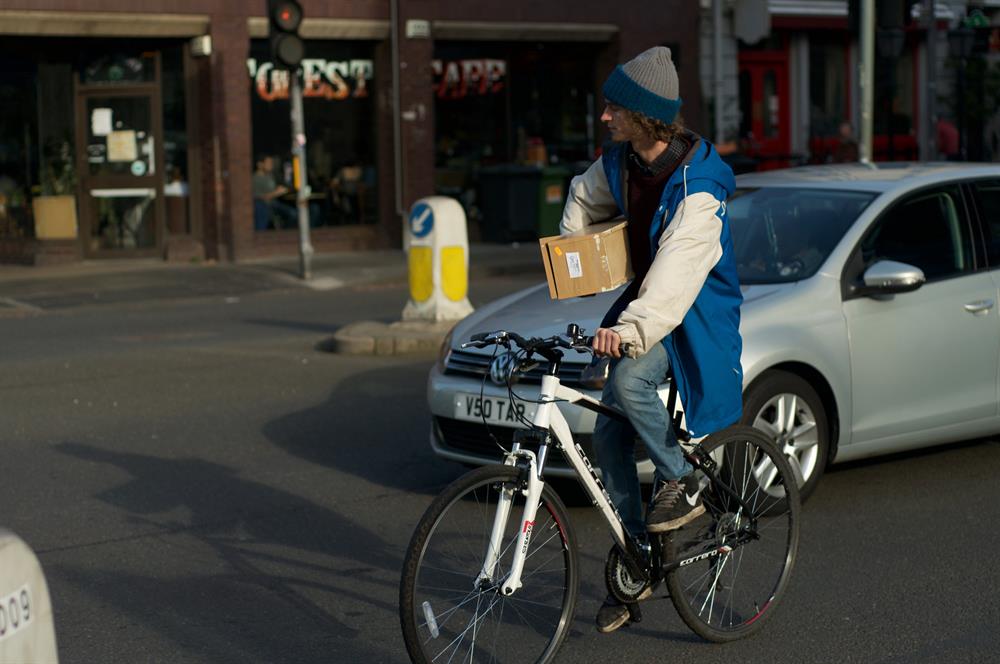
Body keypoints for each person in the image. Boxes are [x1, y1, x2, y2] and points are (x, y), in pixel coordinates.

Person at [559, 46, 743, 634]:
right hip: (648, 304)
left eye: (615, 108)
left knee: (629, 378)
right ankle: (637, 556)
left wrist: (629, 332)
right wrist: (577, 260)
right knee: (608, 439)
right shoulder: (621, 161)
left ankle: (684, 483)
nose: (605, 115)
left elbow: (676, 277)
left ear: (645, 116)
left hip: (691, 315)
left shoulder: (699, 187)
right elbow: (584, 197)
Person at [252, 155, 297, 230]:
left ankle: (284, 234)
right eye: (268, 163)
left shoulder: (270, 176)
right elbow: (259, 197)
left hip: (274, 203)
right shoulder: (255, 179)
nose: (271, 165)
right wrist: (276, 192)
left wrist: (279, 189)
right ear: (260, 164)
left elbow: (274, 189)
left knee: (293, 214)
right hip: (263, 205)